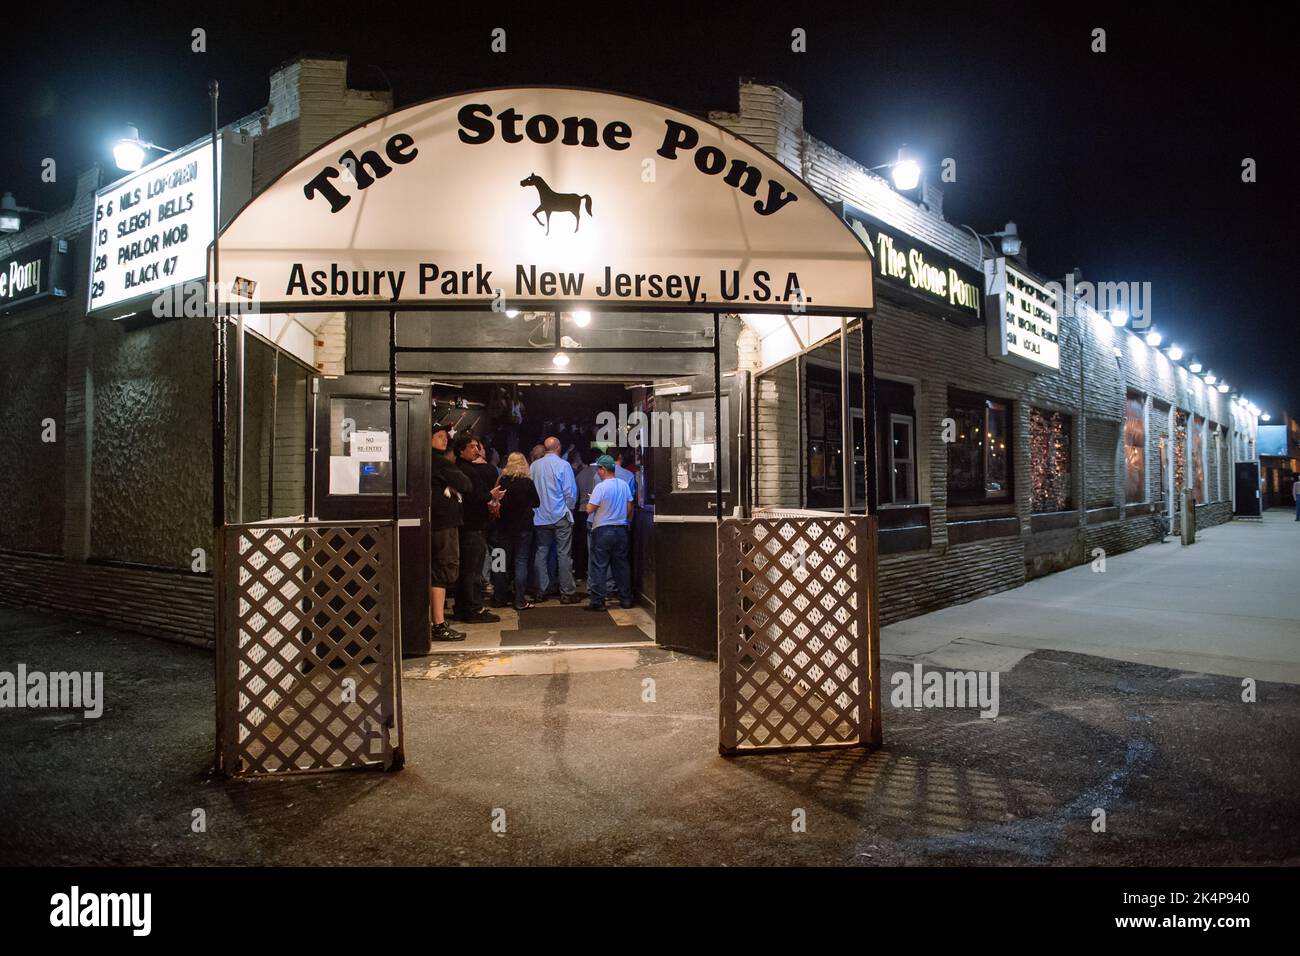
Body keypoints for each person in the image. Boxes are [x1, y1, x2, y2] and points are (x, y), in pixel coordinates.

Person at [454, 432, 504, 624]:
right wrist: (490, 495)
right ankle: (473, 608)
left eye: (477, 446)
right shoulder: (467, 471)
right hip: (472, 525)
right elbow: (472, 497)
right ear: (461, 450)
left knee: (468, 569)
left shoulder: (462, 469)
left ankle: (463, 607)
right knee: (472, 570)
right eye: (472, 447)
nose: (477, 450)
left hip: (469, 524)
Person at [429, 423, 472, 642]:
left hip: (430, 524)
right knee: (443, 571)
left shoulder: (421, 462)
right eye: (439, 436)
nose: (444, 439)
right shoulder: (439, 462)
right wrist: (452, 486)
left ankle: (433, 621)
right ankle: (438, 624)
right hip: (443, 525)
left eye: (446, 436)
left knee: (434, 571)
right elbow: (465, 484)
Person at [530, 435, 580, 604]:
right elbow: (570, 493)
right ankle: (567, 592)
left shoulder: (534, 466)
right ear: (558, 448)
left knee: (541, 553)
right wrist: (568, 508)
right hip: (559, 515)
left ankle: (541, 590)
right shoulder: (564, 465)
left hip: (540, 516)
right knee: (563, 554)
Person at [585, 455, 634, 611]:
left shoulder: (601, 487)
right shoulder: (623, 484)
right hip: (621, 529)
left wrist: (591, 499)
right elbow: (629, 505)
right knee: (621, 565)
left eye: (599, 468)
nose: (597, 471)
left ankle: (598, 601)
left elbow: (589, 509)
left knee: (599, 565)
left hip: (602, 529)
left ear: (604, 470)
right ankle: (626, 599)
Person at [495, 452, 541, 609]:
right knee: (521, 562)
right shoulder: (527, 483)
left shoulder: (502, 481)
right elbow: (536, 503)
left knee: (500, 562)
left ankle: (499, 597)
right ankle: (519, 600)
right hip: (524, 527)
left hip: (503, 527)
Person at [572, 448, 598, 582]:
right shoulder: (600, 474)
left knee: (581, 543)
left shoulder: (580, 475)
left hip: (582, 510)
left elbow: (575, 496)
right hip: (598, 511)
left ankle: (580, 571)